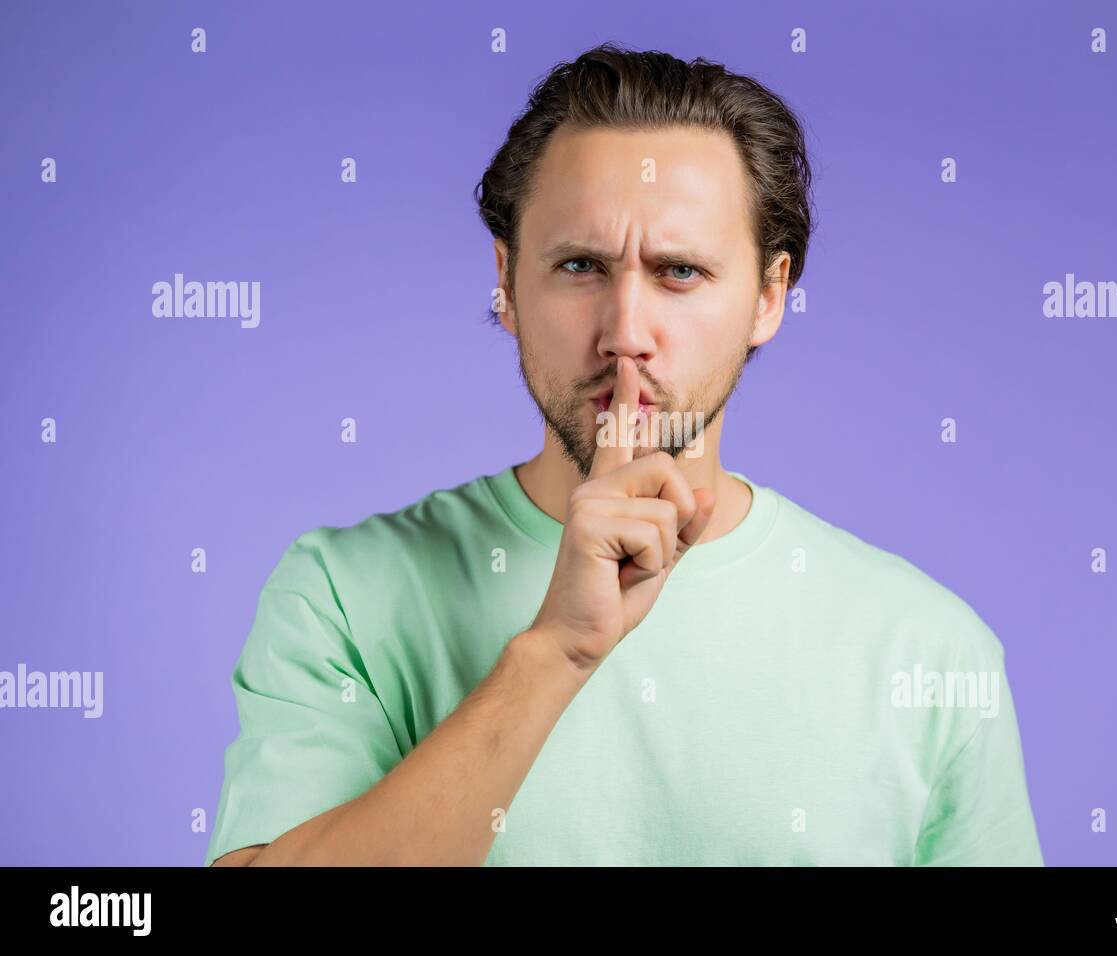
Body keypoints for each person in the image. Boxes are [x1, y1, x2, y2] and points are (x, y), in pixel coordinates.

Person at [205, 42, 1044, 866]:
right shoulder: (342, 596)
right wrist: (555, 652)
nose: (625, 334)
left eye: (679, 271)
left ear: (768, 296)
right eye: (580, 265)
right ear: (506, 282)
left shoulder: (929, 650)